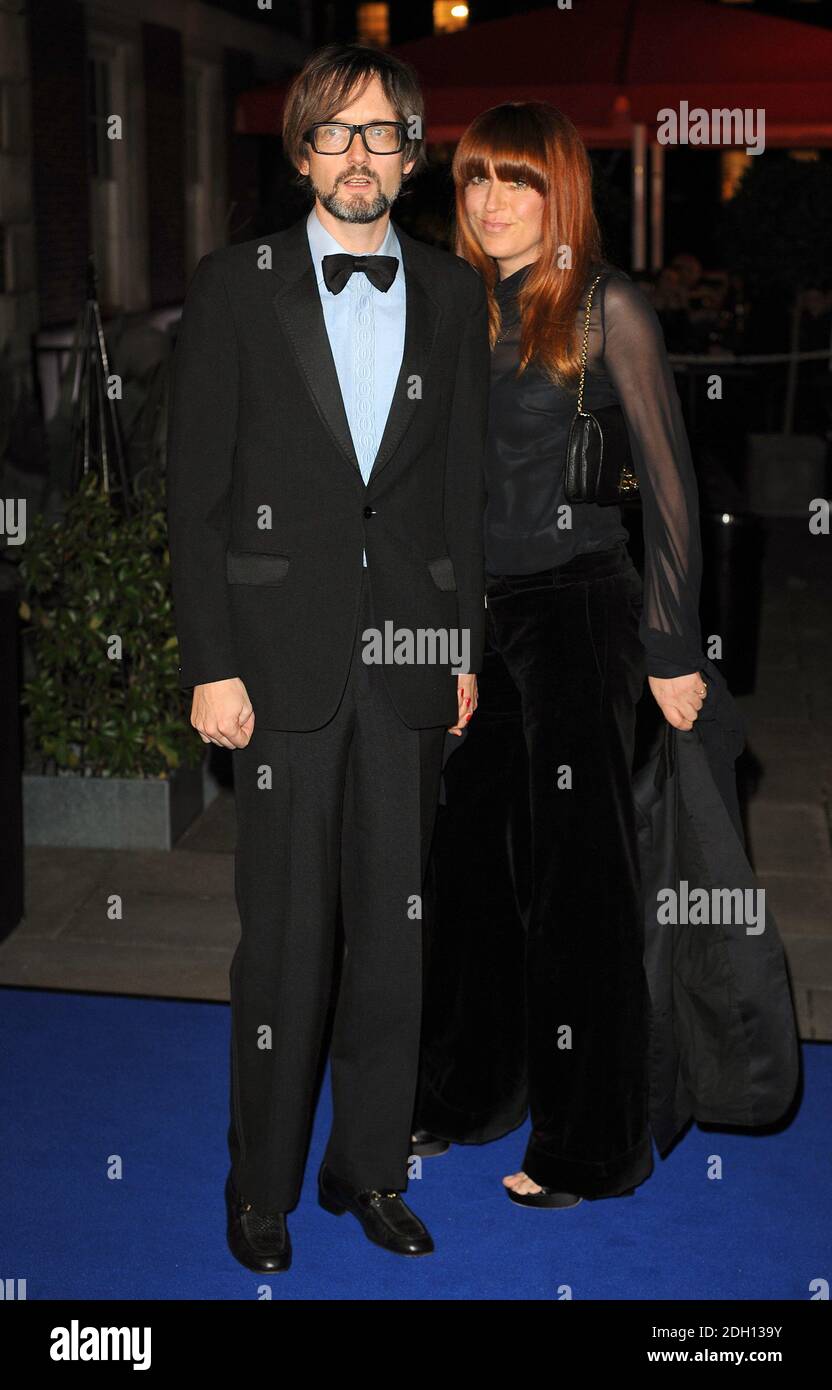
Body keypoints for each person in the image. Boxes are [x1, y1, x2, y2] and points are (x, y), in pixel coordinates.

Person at [166, 43, 489, 1271]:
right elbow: (195, 495)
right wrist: (211, 661)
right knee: (287, 943)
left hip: (410, 663)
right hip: (277, 668)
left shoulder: (456, 295)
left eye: (383, 133)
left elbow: (454, 490)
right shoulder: (237, 283)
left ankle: (367, 1168)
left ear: (413, 156)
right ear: (302, 150)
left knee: (397, 937)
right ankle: (261, 1187)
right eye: (336, 134)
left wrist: (461, 646)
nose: (360, 155)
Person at [413, 101, 709, 1208]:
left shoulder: (601, 305)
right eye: (476, 180)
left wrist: (673, 648)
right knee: (465, 866)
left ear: (560, 192)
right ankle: (468, 1089)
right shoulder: (449, 304)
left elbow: (669, 486)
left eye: (516, 181)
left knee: (577, 881)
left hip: (579, 609)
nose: (490, 202)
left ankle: (589, 1140)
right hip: (480, 619)